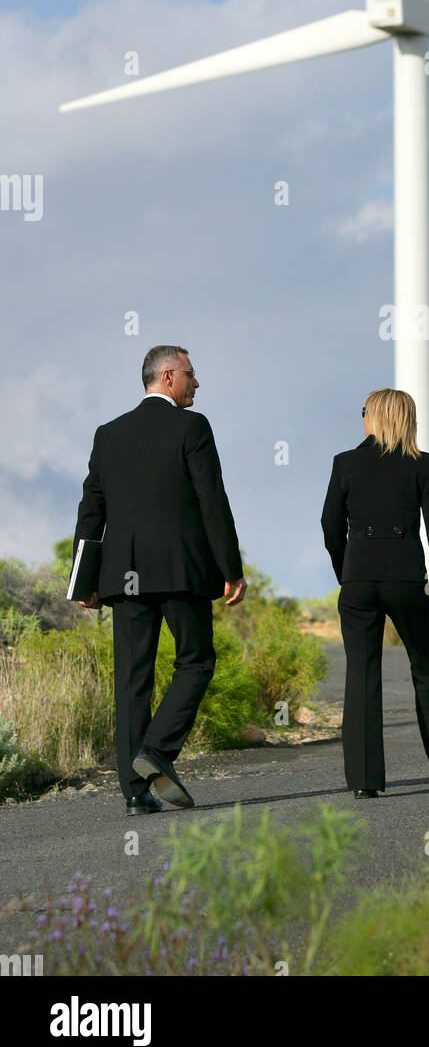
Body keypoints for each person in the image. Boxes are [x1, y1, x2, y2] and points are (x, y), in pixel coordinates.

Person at [72, 345, 247, 813]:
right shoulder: (193, 426)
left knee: (132, 679)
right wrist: (232, 569)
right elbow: (213, 500)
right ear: (167, 376)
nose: (196, 383)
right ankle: (157, 751)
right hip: (180, 570)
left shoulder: (108, 434)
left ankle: (134, 793)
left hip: (122, 574)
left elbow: (91, 510)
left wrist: (82, 581)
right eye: (190, 374)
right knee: (196, 659)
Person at [321, 388, 429, 797]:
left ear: (374, 417)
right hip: (406, 581)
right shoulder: (422, 466)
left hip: (359, 583)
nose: (362, 418)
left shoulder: (345, 463)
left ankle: (366, 783)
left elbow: (330, 526)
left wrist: (346, 571)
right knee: (426, 670)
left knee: (361, 675)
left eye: (364, 412)